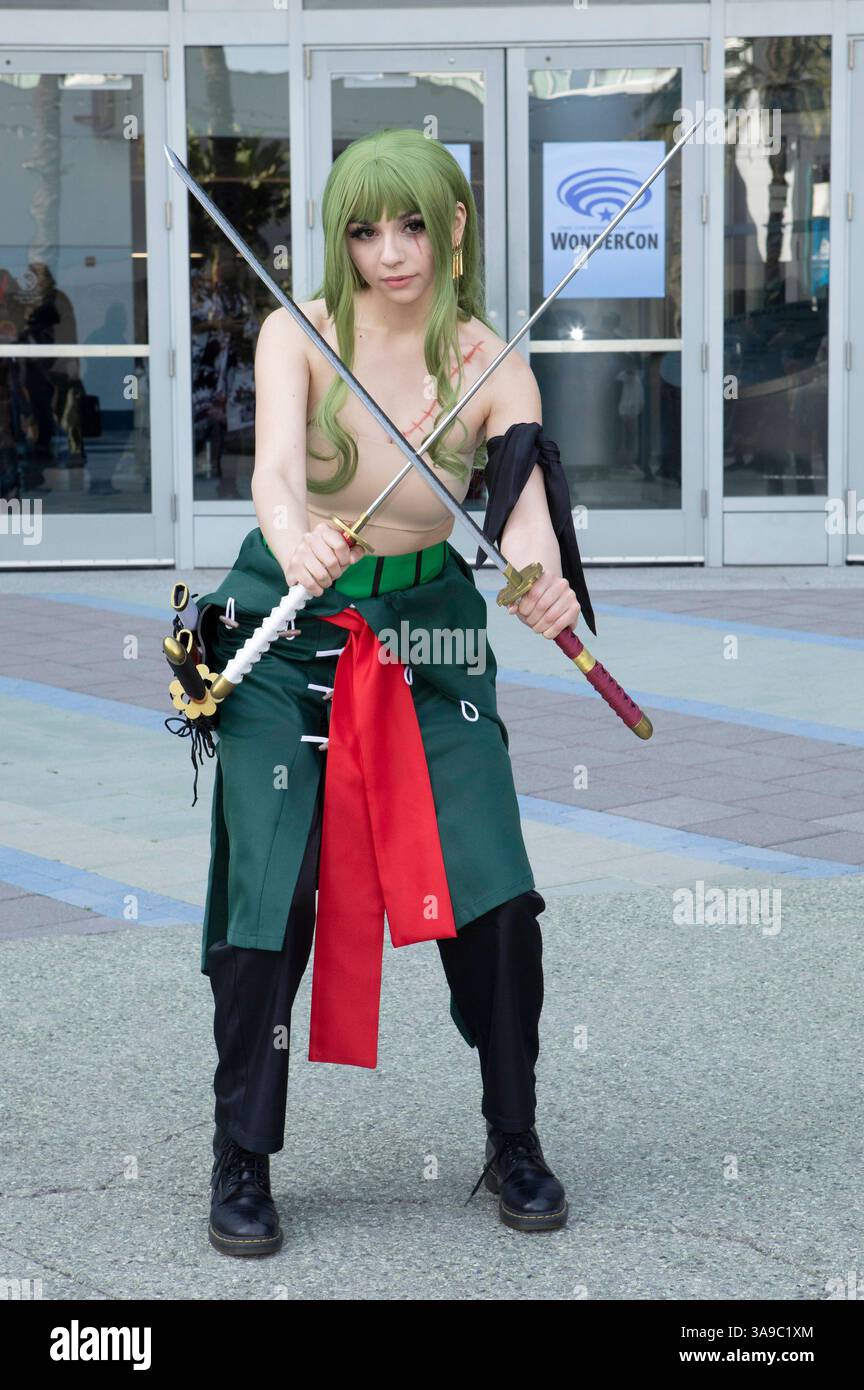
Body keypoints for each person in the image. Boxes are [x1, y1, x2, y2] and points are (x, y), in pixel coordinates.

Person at [191, 127, 594, 1256]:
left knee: (498, 889)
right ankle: (242, 1155)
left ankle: (512, 1135)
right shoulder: (296, 332)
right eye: (364, 228)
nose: (389, 250)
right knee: (271, 891)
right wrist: (297, 533)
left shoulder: (492, 360)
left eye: (412, 223)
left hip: (430, 636)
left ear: (454, 226)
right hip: (285, 628)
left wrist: (543, 584)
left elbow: (520, 518)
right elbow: (275, 472)